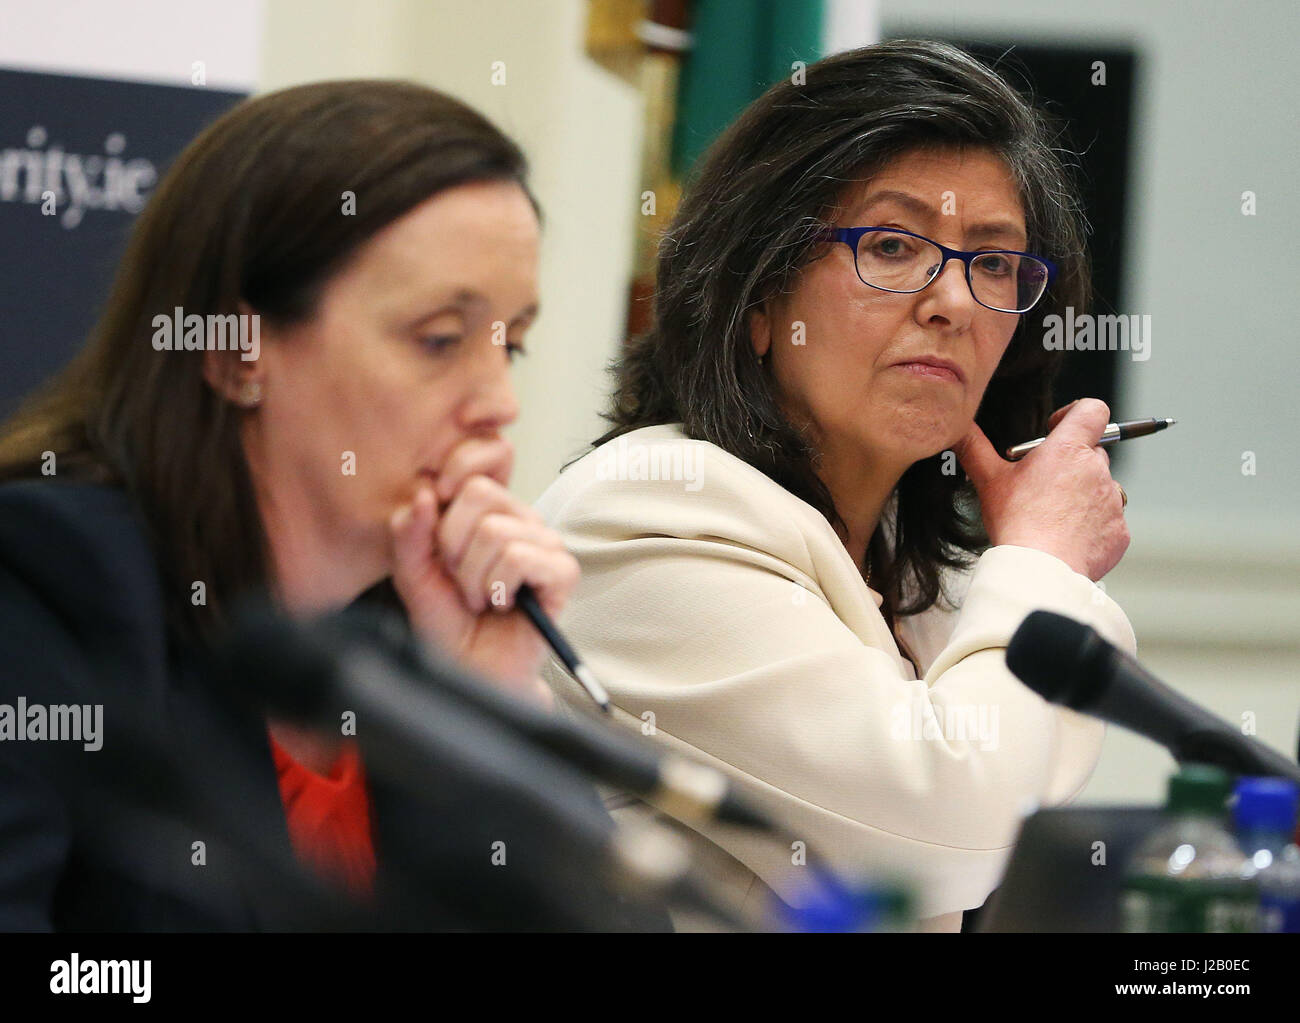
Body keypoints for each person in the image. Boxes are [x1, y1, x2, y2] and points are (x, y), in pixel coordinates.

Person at [0, 79, 648, 930]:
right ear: (238, 354)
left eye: (512, 346)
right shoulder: (48, 585)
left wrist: (490, 700)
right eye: (441, 340)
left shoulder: (401, 647)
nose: (499, 402)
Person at [534, 39, 1137, 932]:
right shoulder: (649, 514)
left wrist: (1028, 576)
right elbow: (944, 836)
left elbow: (1008, 808)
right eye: (892, 246)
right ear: (760, 298)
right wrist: (1046, 560)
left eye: (995, 260)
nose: (955, 302)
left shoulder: (921, 578)